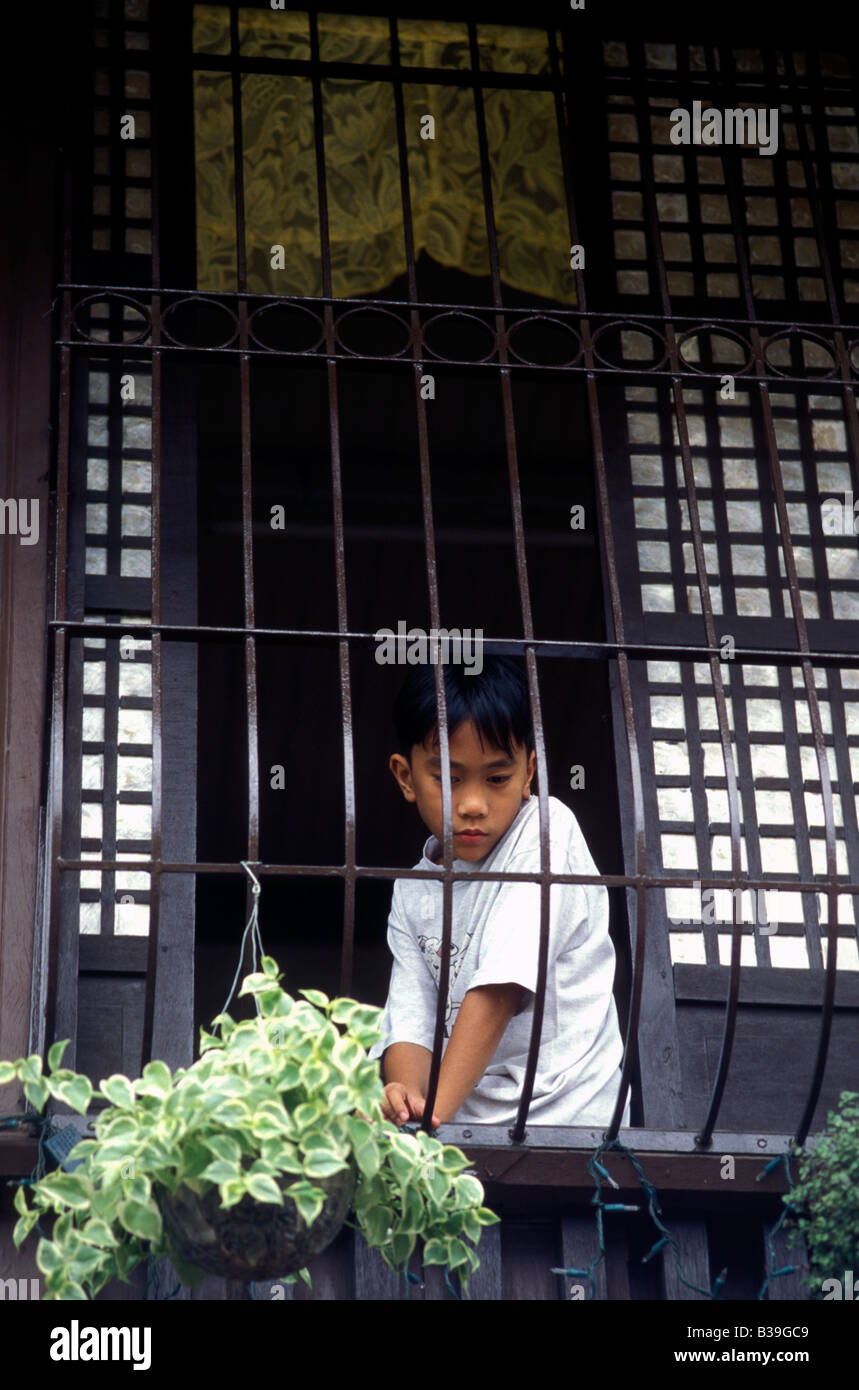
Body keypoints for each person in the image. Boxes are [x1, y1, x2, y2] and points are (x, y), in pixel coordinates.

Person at [369, 656, 630, 1130]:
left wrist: (429, 1124)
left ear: (529, 772)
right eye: (448, 778)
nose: (473, 804)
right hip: (461, 1127)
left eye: (497, 779)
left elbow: (499, 990)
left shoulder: (548, 830)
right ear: (406, 777)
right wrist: (407, 1101)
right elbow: (410, 1019)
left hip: (568, 1122)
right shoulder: (413, 889)